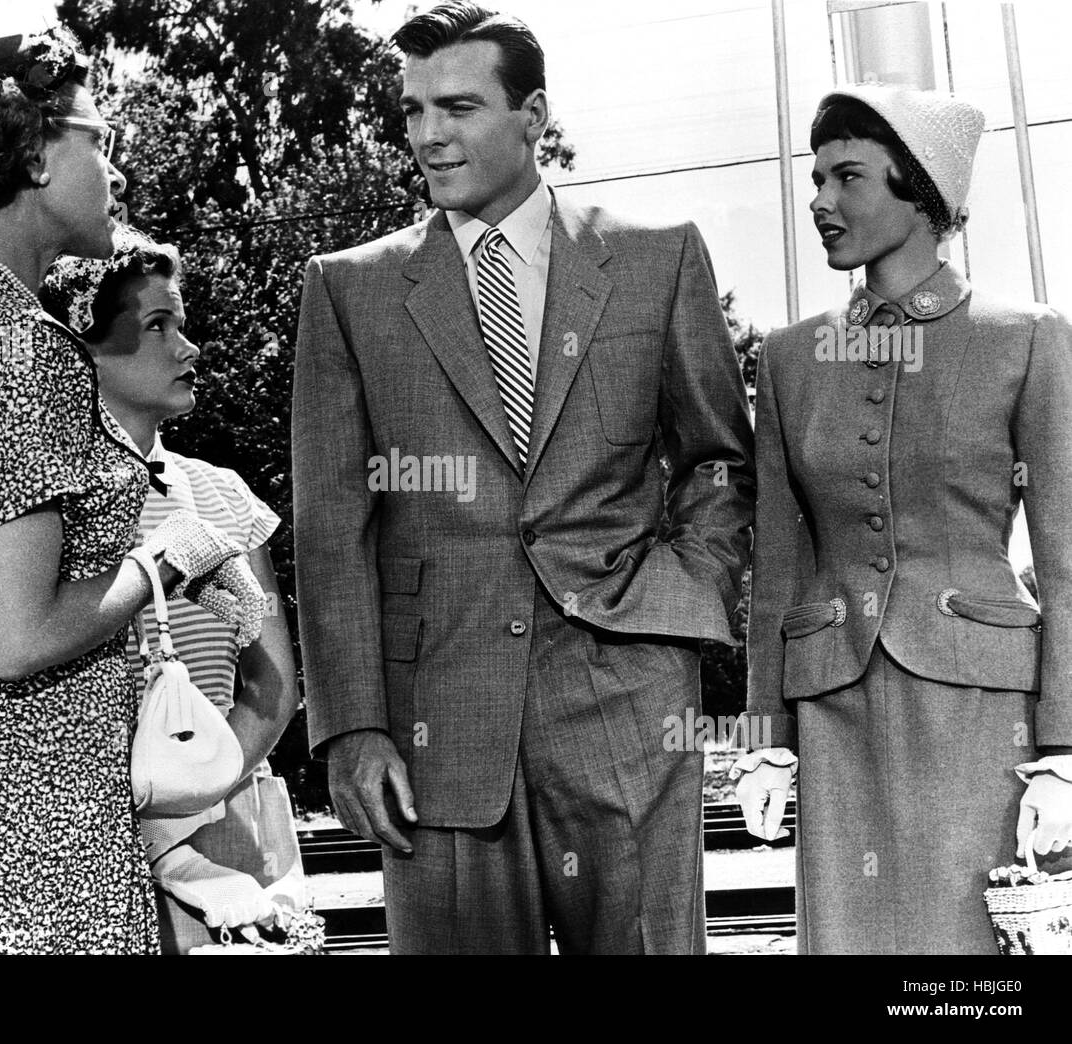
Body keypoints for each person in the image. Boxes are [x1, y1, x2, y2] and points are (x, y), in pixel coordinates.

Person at [291, 1, 754, 955]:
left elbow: (718, 460)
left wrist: (677, 598)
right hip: (435, 722)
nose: (426, 135)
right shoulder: (349, 288)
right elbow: (331, 525)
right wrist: (351, 729)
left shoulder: (658, 256)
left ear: (534, 114)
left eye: (456, 106)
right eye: (413, 111)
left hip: (626, 702)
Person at [0, 30, 262, 954]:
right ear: (37, 152)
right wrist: (170, 558)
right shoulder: (25, 343)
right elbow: (21, 637)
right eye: (101, 140)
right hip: (27, 805)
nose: (115, 169)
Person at [735, 82, 1072, 954]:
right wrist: (764, 740)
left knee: (967, 971)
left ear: (919, 193)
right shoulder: (787, 358)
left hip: (981, 709)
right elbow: (778, 565)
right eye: (815, 179)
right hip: (834, 708)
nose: (820, 201)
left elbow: (1068, 562)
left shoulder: (1024, 338)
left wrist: (1065, 752)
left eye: (848, 176)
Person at [41, 227, 308, 954]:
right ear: (84, 349)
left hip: (222, 834)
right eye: (158, 325)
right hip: (88, 844)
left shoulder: (221, 497)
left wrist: (191, 798)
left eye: (182, 324)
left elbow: (272, 689)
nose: (188, 348)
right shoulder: (39, 513)